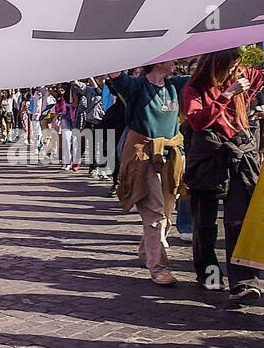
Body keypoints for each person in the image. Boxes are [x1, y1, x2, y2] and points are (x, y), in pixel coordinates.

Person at [182, 48, 264, 303]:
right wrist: (227, 95)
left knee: (238, 220)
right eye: (229, 69)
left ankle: (243, 282)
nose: (234, 73)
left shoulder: (242, 76)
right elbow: (197, 121)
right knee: (205, 222)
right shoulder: (193, 89)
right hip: (207, 157)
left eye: (236, 68)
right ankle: (209, 274)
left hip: (239, 154)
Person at [107, 62, 192, 286]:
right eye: (171, 58)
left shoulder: (175, 85)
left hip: (170, 156)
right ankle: (159, 268)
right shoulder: (136, 87)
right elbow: (114, 71)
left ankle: (147, 250)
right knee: (155, 213)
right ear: (160, 62)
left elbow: (204, 71)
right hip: (143, 157)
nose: (176, 62)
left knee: (165, 210)